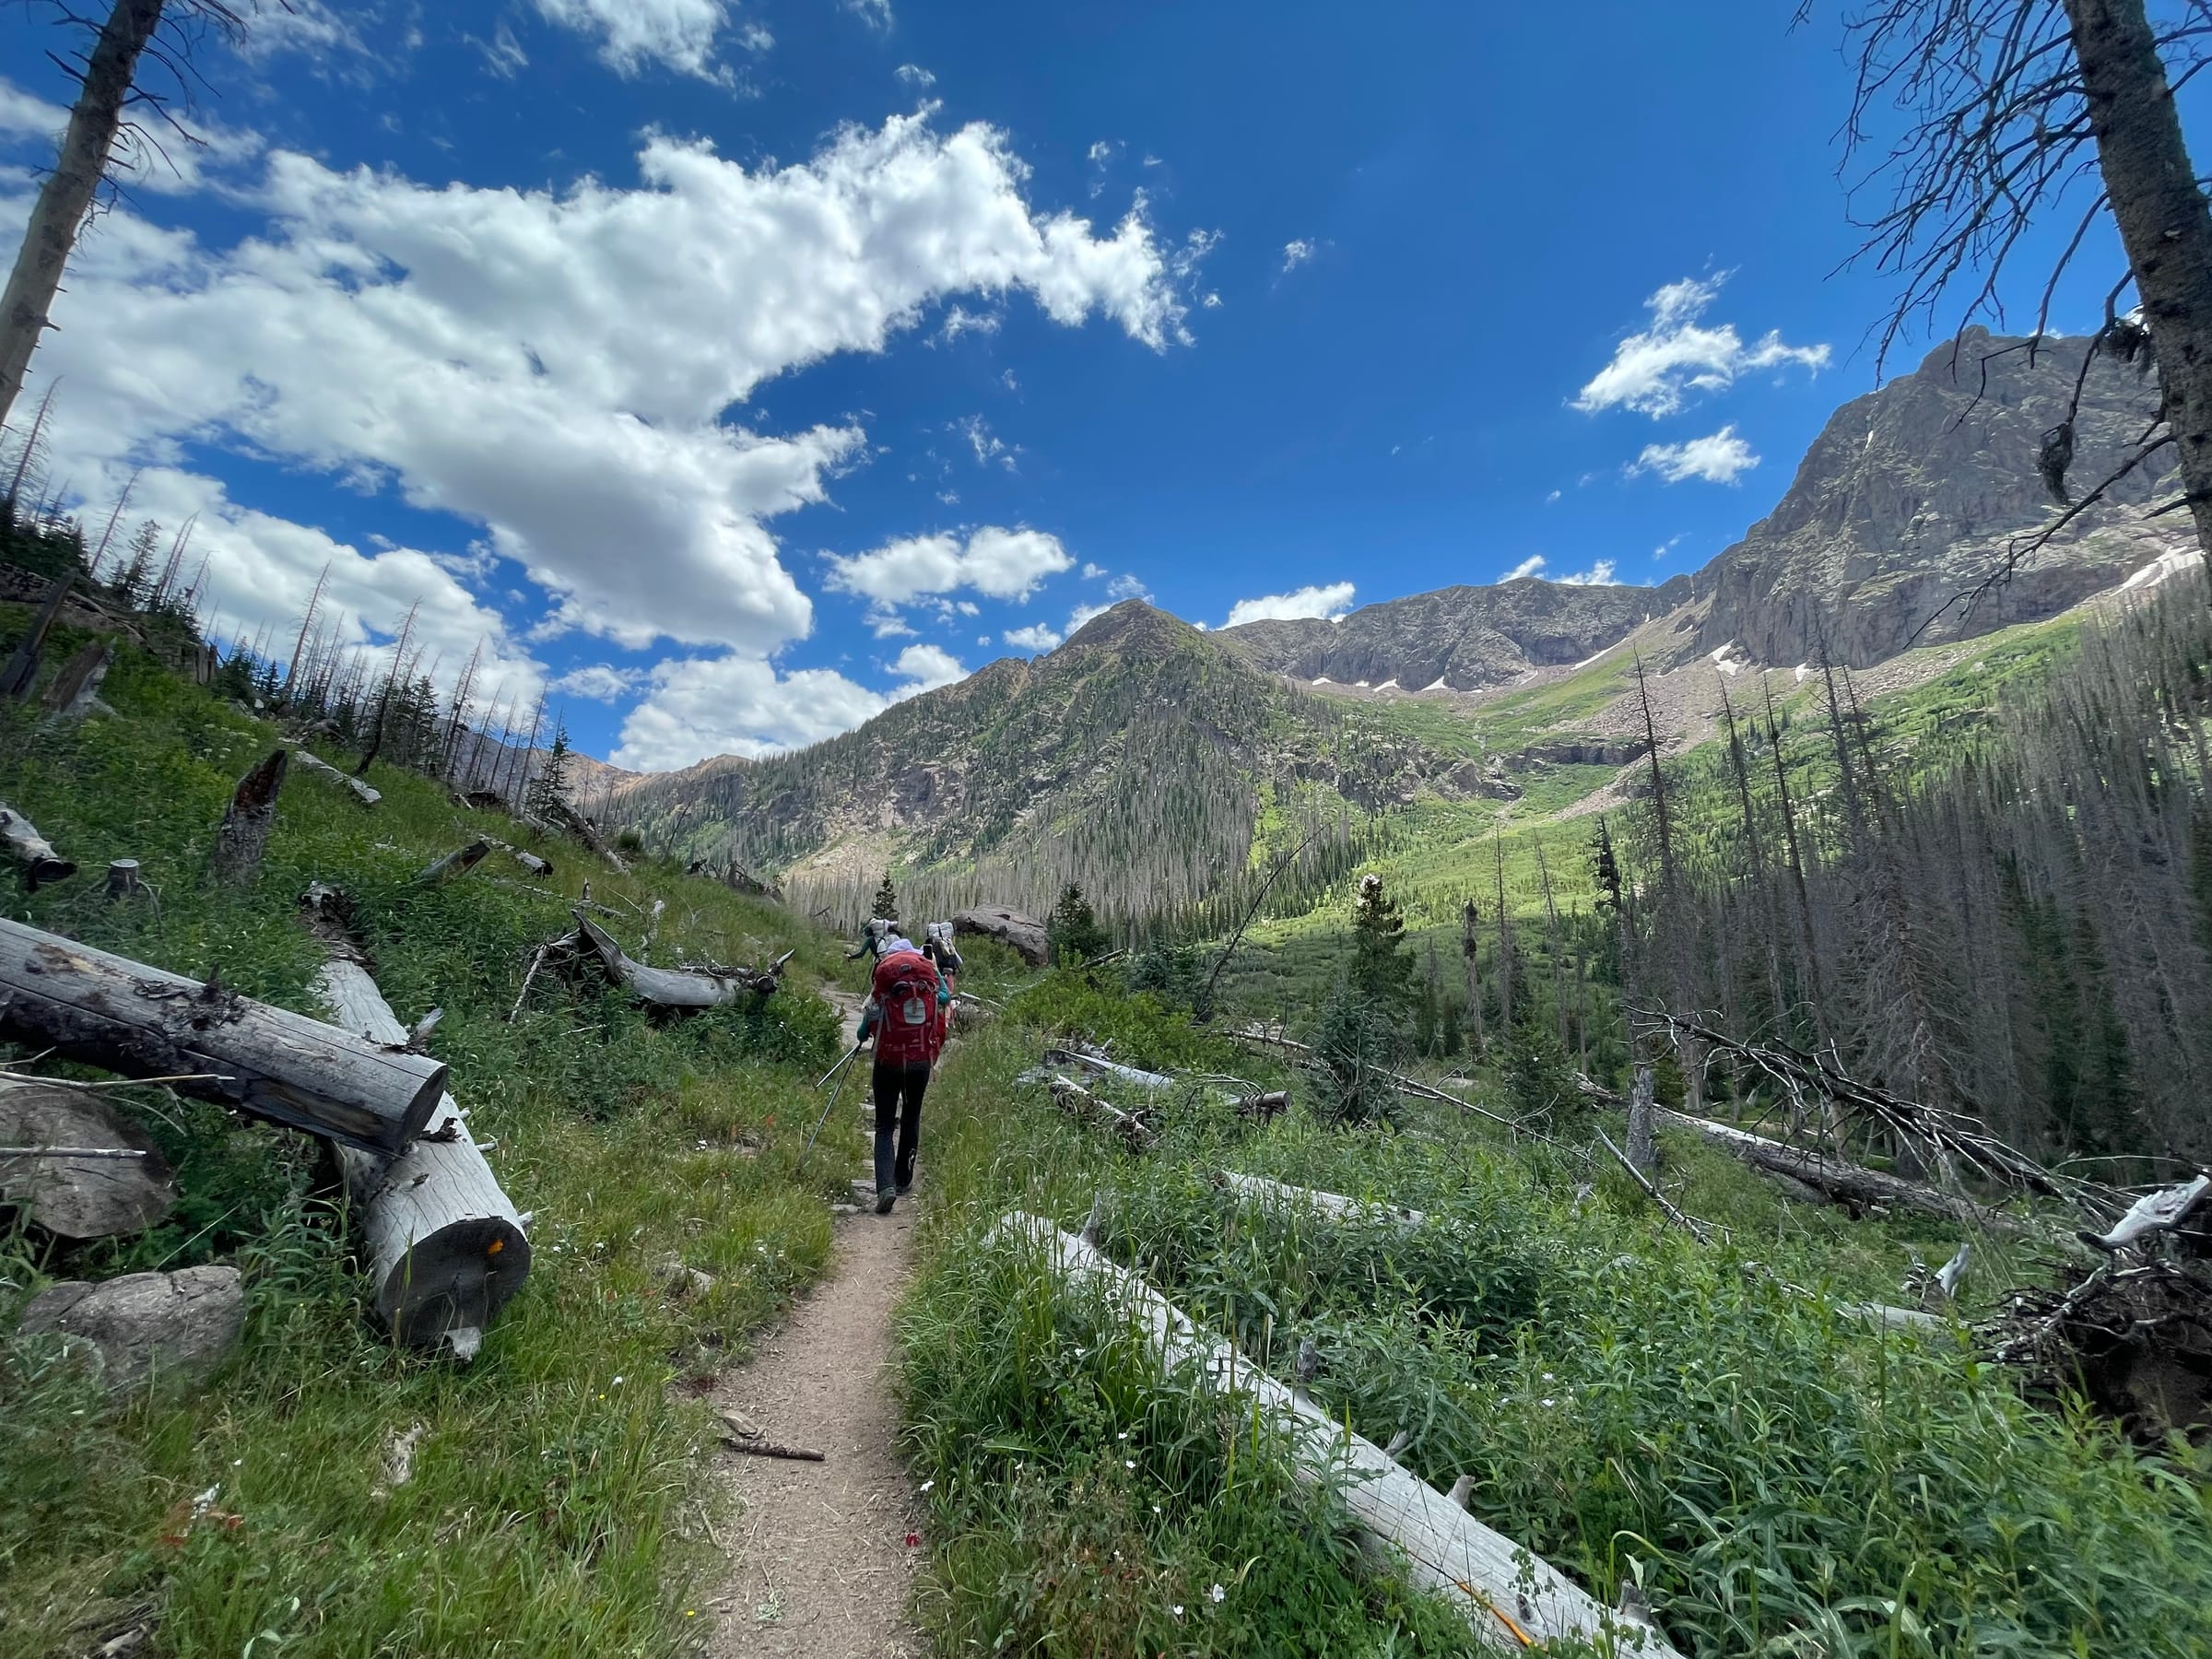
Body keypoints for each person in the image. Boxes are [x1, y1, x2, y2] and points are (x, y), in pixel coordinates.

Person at [855, 925, 947, 1216]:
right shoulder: (927, 980)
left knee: (884, 1125)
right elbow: (944, 998)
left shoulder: (884, 983)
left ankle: (885, 1188)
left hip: (888, 1061)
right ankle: (904, 1179)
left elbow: (863, 1030)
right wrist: (935, 972)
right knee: (911, 1115)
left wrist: (864, 1032)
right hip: (921, 1061)